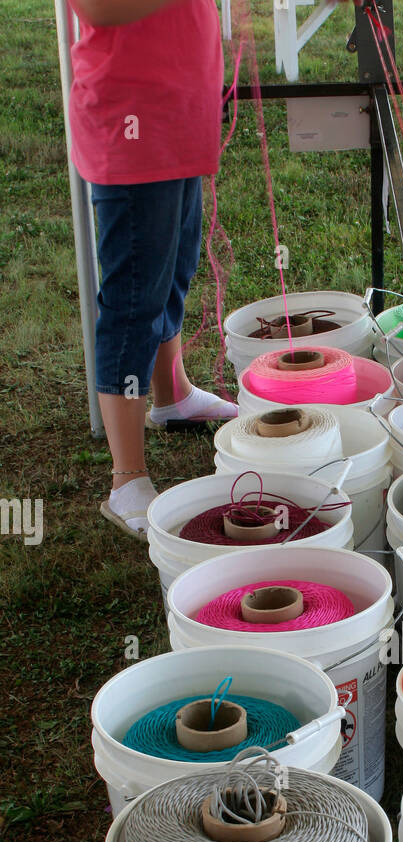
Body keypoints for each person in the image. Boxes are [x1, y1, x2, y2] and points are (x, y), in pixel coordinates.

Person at [66, 0, 237, 539]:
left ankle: (172, 394)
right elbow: (99, 8)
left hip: (174, 115)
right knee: (136, 296)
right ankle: (126, 481)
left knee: (173, 268)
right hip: (133, 123)